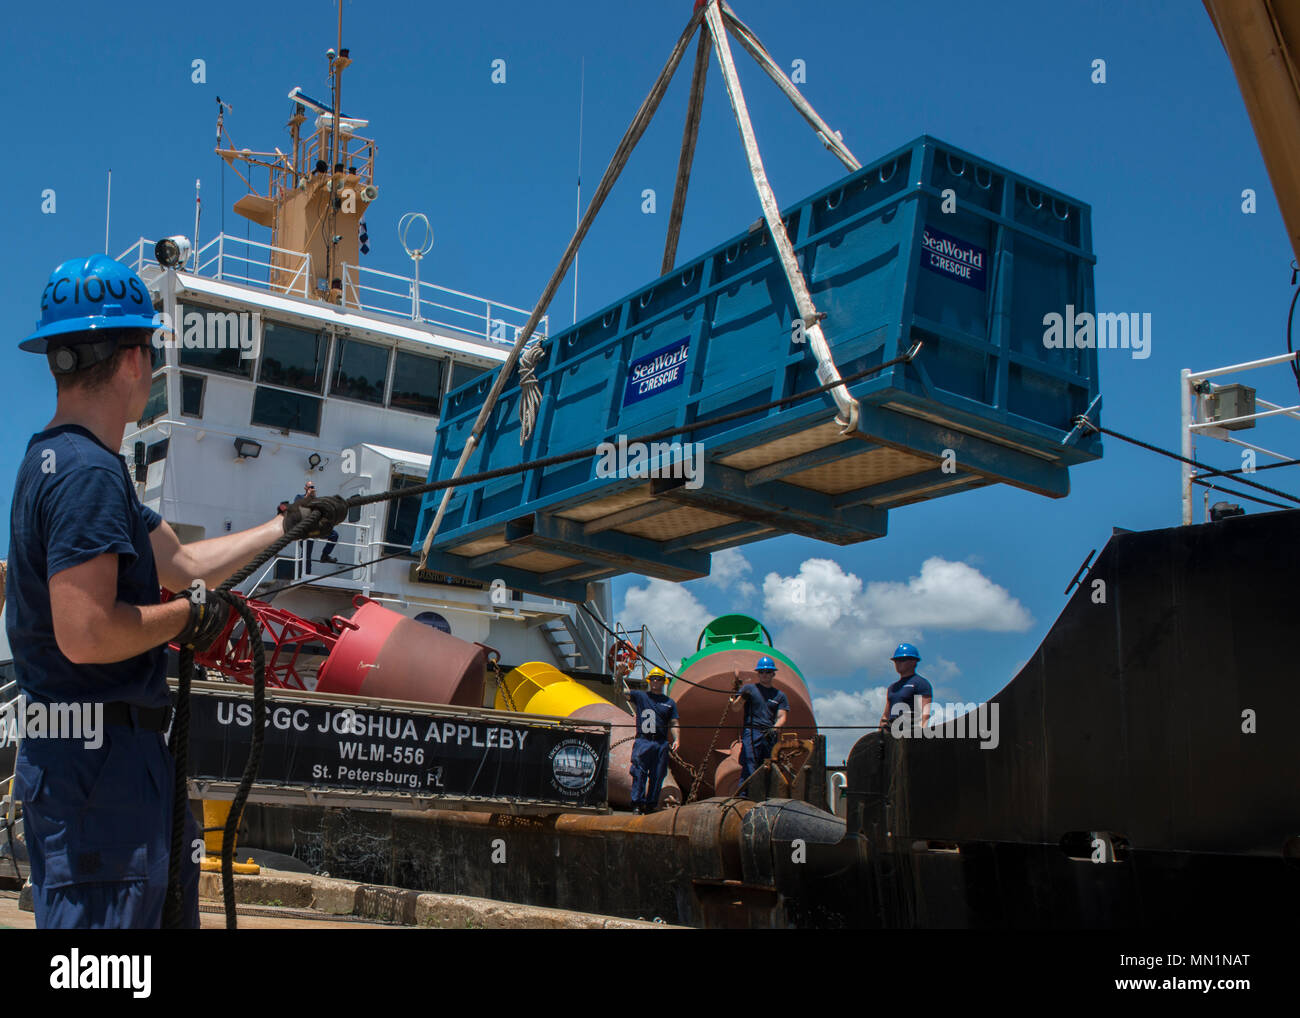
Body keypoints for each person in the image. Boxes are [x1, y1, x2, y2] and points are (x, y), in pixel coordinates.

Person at [7, 254, 349, 929]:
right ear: (135, 361)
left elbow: (187, 562)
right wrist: (184, 619)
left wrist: (286, 526)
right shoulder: (88, 476)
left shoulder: (62, 461)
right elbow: (89, 633)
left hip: (104, 764)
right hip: (99, 771)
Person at [728, 655, 788, 798]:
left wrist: (775, 728)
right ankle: (744, 795)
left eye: (768, 672)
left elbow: (782, 716)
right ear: (758, 673)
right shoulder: (749, 689)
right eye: (761, 672)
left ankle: (765, 795)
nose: (765, 675)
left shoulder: (780, 695)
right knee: (750, 762)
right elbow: (735, 708)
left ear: (773, 673)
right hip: (752, 731)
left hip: (769, 734)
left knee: (768, 765)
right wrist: (742, 697)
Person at [626, 667, 679, 814]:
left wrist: (677, 739)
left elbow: (674, 723)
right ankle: (637, 803)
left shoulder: (669, 703)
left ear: (664, 682)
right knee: (639, 773)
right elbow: (619, 691)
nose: (656, 681)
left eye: (659, 679)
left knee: (658, 774)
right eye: (654, 678)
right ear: (649, 681)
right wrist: (618, 675)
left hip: (661, 743)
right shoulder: (641, 696)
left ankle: (651, 804)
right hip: (644, 741)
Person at [278, 481, 339, 570]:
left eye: (313, 487)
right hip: (305, 529)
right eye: (310, 487)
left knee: (334, 535)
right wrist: (307, 496)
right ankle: (304, 574)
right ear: (305, 488)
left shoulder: (317, 500)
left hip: (316, 526)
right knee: (307, 552)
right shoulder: (299, 497)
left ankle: (325, 555)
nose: (312, 489)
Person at [878, 643, 933, 731]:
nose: (898, 663)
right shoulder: (892, 687)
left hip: (910, 733)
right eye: (896, 660)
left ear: (913, 662)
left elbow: (925, 714)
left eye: (902, 660)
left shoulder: (921, 684)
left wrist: (921, 736)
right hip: (892, 734)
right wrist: (880, 736)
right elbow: (885, 716)